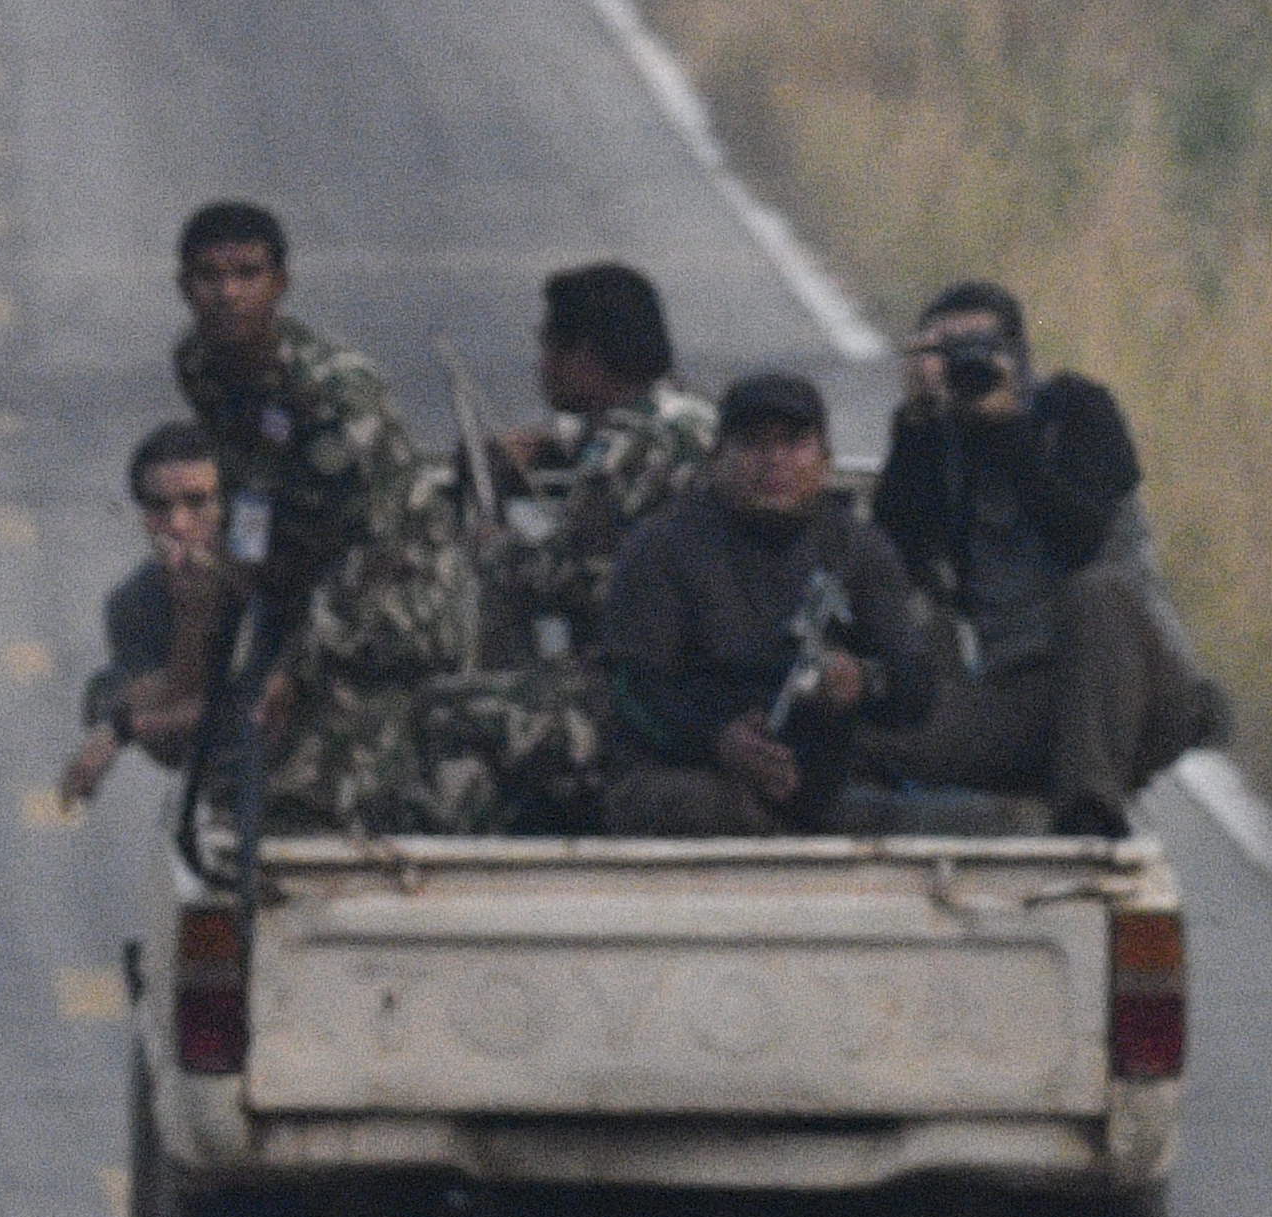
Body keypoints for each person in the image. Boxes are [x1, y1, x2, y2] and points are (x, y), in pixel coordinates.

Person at [161, 199, 603, 837]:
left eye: (247, 274)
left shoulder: (338, 394)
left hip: (396, 601)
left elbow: (380, 545)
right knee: (237, 777)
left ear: (279, 285)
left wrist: (295, 665)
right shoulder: (199, 365)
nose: (228, 294)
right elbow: (251, 476)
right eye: (210, 277)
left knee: (318, 795)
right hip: (308, 586)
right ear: (185, 288)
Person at [871, 278, 1231, 828]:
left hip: (1134, 684)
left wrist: (1008, 431)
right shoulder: (936, 441)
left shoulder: (1079, 411)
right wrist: (917, 425)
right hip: (1027, 695)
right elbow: (896, 556)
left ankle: (1088, 812)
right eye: (949, 352)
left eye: (981, 349)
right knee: (872, 733)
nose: (968, 366)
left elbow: (1080, 537)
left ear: (1018, 355)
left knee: (1094, 592)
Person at [589, 374, 933, 832]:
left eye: (793, 443)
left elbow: (915, 685)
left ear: (825, 460)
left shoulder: (859, 550)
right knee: (714, 810)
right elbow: (633, 690)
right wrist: (717, 739)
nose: (774, 461)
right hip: (687, 771)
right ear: (716, 459)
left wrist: (860, 681)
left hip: (825, 773)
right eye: (752, 443)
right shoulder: (663, 548)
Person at [482, 259, 714, 655]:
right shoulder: (695, 412)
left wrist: (493, 547)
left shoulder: (627, 447)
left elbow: (571, 577)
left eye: (549, 345)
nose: (542, 365)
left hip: (656, 670)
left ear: (585, 358)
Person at [51, 429, 235, 812]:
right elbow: (171, 741)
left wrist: (123, 730)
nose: (179, 525)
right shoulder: (138, 601)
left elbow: (264, 705)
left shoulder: (274, 579)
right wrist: (192, 614)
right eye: (159, 508)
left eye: (197, 502)